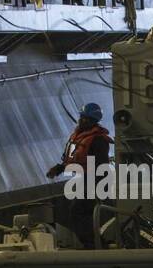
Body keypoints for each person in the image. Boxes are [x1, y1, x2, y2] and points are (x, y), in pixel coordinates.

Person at [46, 102, 112, 249]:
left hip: (96, 180)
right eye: (82, 117)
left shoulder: (98, 140)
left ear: (94, 122)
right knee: (81, 213)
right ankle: (96, 244)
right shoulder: (79, 137)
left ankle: (94, 245)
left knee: (79, 212)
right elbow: (72, 159)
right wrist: (58, 169)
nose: (83, 121)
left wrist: (96, 186)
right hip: (86, 179)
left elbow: (101, 166)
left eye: (87, 119)